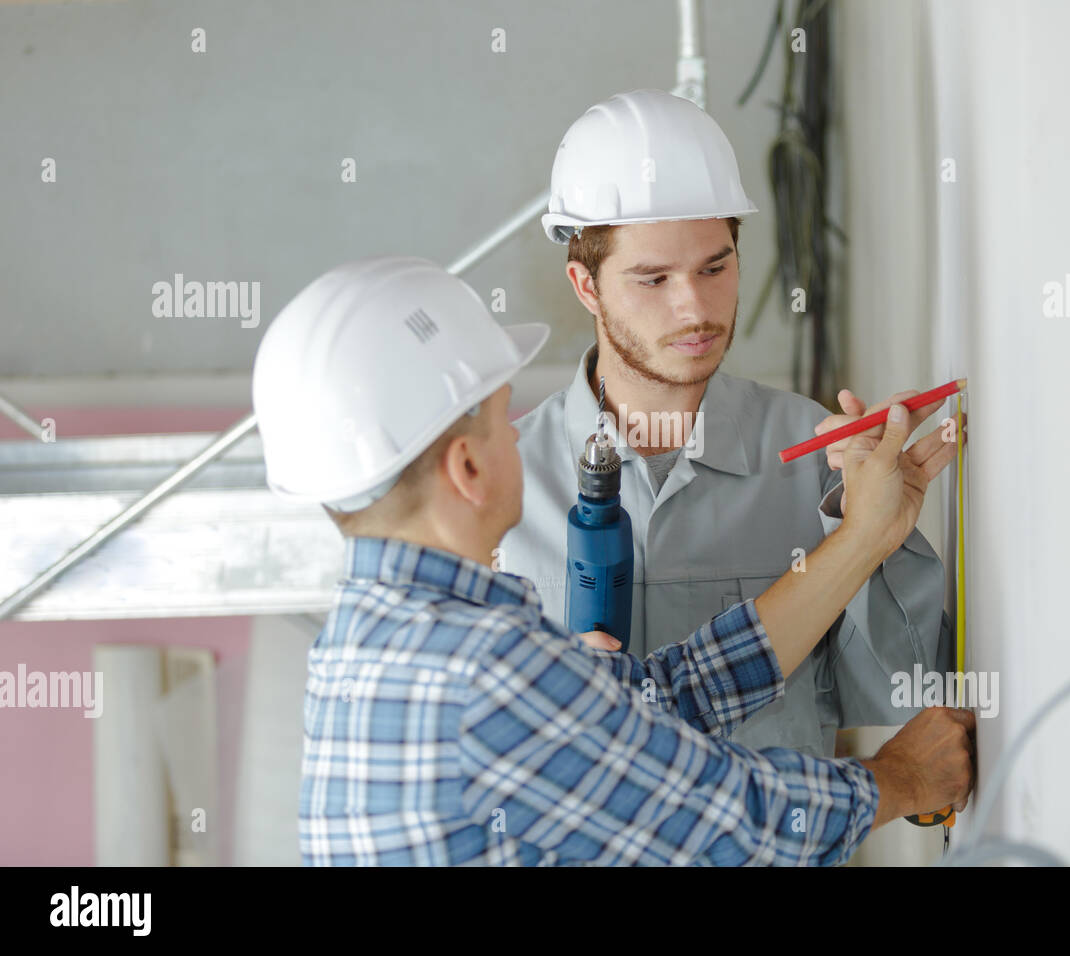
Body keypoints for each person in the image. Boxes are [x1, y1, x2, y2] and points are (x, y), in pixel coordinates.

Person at [252, 256, 974, 865]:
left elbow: (662, 697)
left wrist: (864, 535)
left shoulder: (361, 651)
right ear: (468, 467)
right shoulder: (479, 666)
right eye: (504, 418)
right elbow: (729, 822)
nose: (521, 435)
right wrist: (902, 777)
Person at [500, 89, 960, 758]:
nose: (694, 308)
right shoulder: (505, 489)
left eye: (714, 267)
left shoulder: (813, 460)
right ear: (586, 286)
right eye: (653, 279)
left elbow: (906, 689)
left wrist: (876, 534)